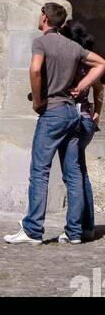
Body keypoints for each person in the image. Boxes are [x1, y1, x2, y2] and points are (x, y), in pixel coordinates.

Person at [4, 2, 105, 245]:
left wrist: (37, 101)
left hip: (53, 112)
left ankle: (32, 230)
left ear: (44, 17)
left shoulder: (41, 42)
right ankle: (74, 232)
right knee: (74, 172)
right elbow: (101, 63)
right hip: (73, 114)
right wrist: (82, 86)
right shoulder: (73, 46)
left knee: (40, 171)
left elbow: (35, 69)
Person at [62, 18, 103, 241]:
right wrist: (97, 114)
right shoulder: (88, 61)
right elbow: (99, 90)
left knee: (72, 175)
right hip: (87, 120)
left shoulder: (72, 60)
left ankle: (75, 229)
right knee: (81, 171)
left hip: (74, 121)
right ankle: (87, 226)